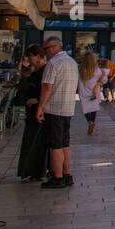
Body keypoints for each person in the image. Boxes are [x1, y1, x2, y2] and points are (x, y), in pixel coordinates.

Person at [36, 37, 79, 189]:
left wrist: (40, 107)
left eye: (46, 49)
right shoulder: (72, 62)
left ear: (54, 47)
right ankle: (67, 175)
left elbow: (47, 87)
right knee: (65, 143)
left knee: (55, 145)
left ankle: (58, 177)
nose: (45, 52)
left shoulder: (53, 63)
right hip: (68, 109)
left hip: (54, 108)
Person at [16, 45, 48, 181]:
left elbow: (47, 89)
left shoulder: (44, 71)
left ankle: (36, 171)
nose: (29, 59)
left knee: (35, 141)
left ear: (38, 56)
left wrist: (38, 102)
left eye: (30, 56)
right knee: (32, 140)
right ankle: (32, 170)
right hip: (32, 109)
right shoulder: (34, 71)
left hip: (38, 109)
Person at [77, 51, 107, 136]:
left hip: (83, 92)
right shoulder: (97, 70)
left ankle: (89, 122)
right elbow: (104, 80)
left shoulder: (80, 69)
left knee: (85, 109)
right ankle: (92, 121)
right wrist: (103, 76)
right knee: (93, 109)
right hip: (94, 92)